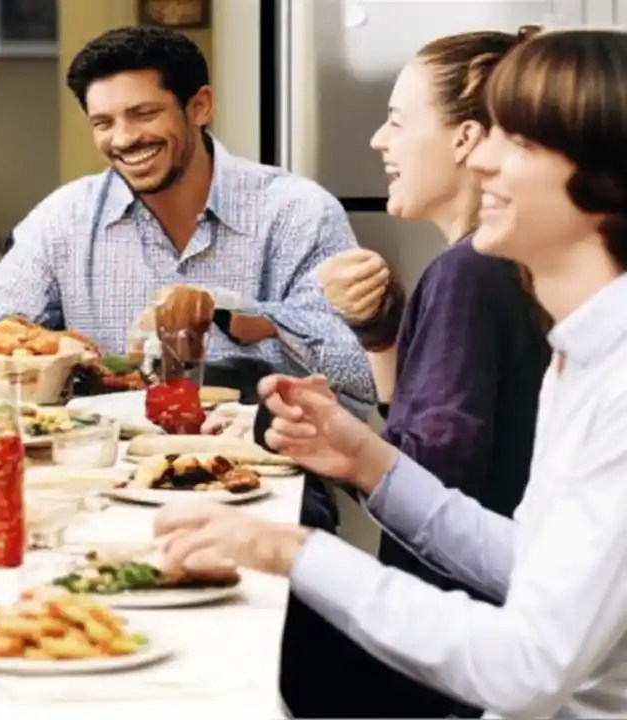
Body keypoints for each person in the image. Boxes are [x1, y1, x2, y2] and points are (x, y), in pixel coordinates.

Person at [155, 28, 627, 718]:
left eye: (518, 140)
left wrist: (292, 548)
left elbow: (529, 670)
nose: (483, 156)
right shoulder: (579, 354)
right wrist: (370, 460)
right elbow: (531, 560)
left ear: (605, 180)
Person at [285, 29, 552, 719]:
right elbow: (432, 445)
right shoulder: (500, 269)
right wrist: (381, 335)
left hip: (454, 644)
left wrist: (318, 438)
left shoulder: (466, 274)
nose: (379, 140)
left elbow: (430, 488)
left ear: (466, 140)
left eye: (398, 121)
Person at [0, 26, 374, 410]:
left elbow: (362, 373)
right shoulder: (64, 219)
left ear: (200, 106)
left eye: (144, 114)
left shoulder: (297, 212)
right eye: (103, 123)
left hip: (269, 464)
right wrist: (61, 359)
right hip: (106, 466)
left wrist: (239, 315)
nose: (124, 139)